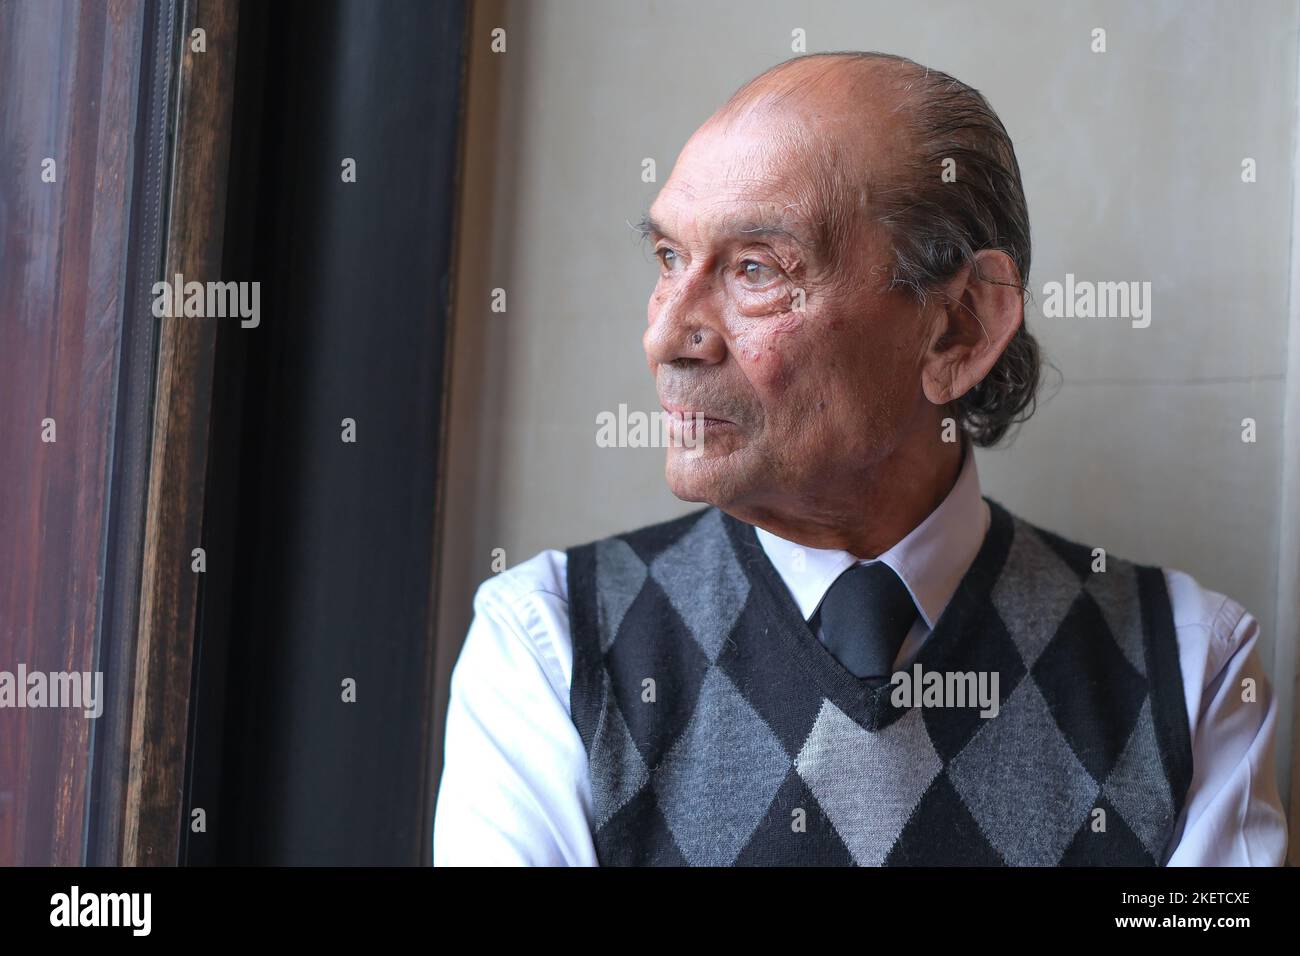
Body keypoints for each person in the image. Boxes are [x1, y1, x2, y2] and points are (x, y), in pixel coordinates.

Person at [432, 52, 1287, 866]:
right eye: (669, 258)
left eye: (756, 269)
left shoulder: (1191, 662)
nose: (664, 336)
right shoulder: (550, 645)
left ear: (959, 327)